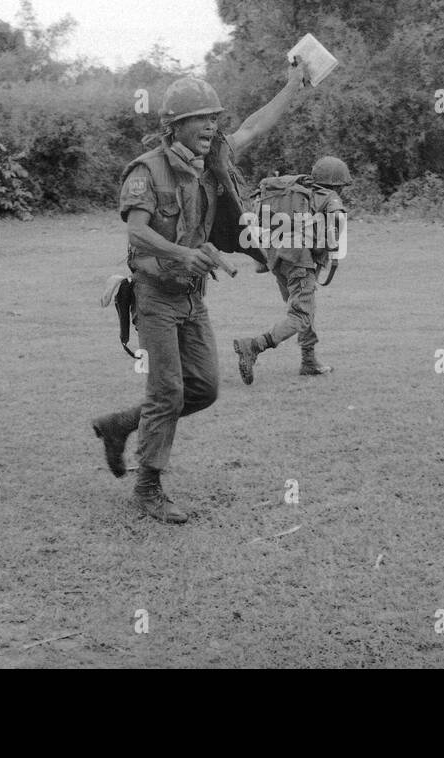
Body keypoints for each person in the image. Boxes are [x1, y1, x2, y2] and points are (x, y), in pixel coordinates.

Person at [90, 62, 306, 523]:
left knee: (204, 389)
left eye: (214, 118)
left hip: (192, 297)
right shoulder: (147, 171)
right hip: (154, 294)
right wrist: (181, 254)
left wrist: (291, 84)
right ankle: (147, 488)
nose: (212, 125)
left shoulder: (212, 161)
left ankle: (121, 425)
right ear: (175, 125)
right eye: (201, 118)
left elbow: (254, 125)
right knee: (167, 390)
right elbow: (136, 231)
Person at [232, 156, 350, 384]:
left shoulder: (299, 191)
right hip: (299, 261)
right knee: (301, 315)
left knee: (306, 308)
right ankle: (254, 346)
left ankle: (309, 360)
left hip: (278, 259)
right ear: (337, 184)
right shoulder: (330, 196)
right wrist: (327, 243)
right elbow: (338, 219)